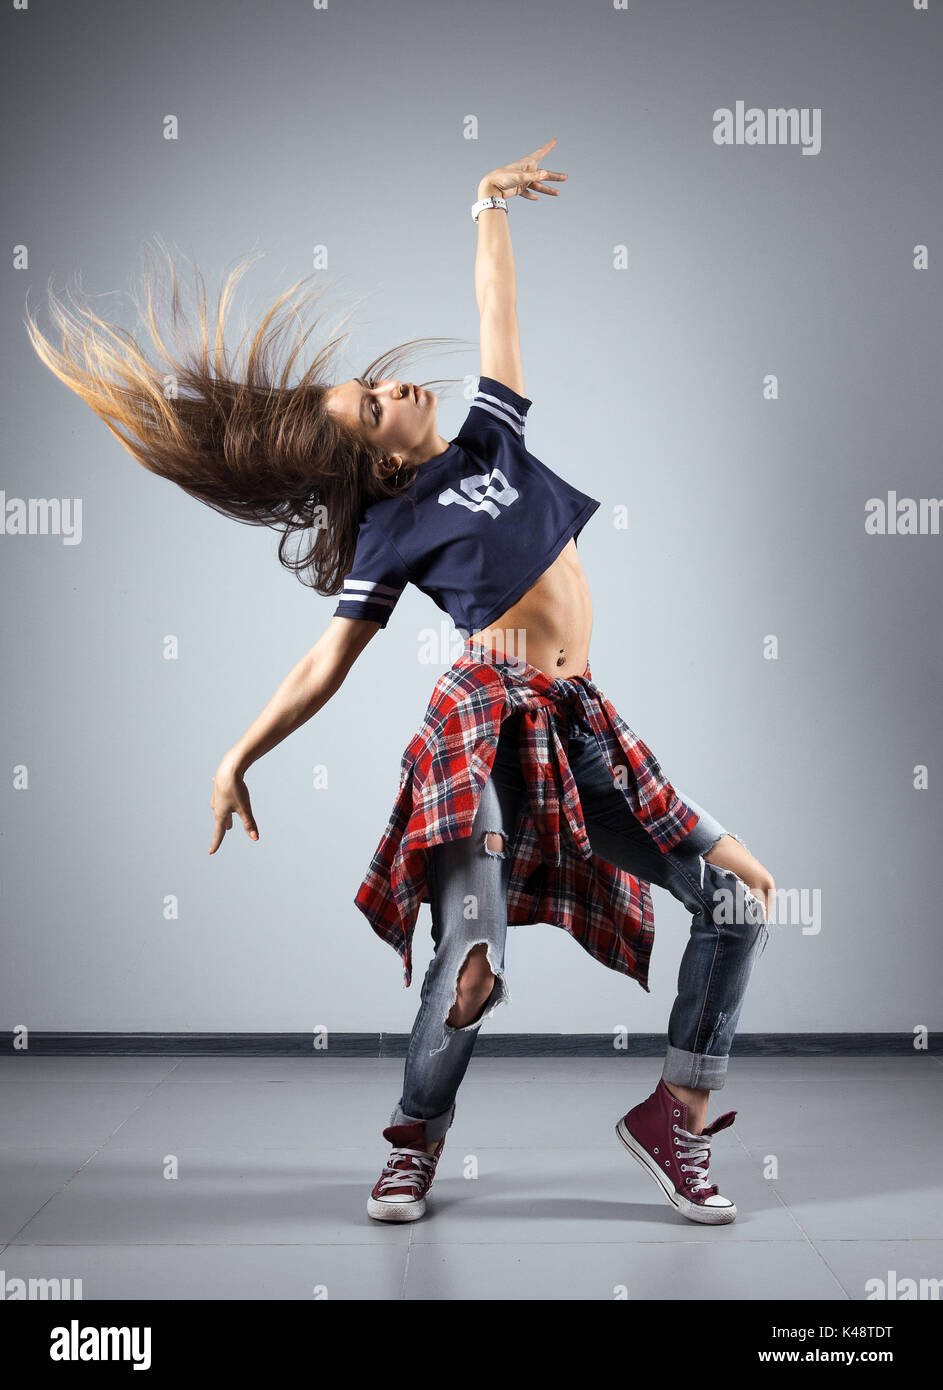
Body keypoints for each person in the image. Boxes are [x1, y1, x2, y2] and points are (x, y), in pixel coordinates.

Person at [25, 137, 775, 1230]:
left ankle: (677, 1111)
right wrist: (238, 754)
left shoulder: (492, 440)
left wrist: (484, 205)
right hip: (478, 727)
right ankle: (410, 1147)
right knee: (473, 962)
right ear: (378, 461)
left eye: (372, 384)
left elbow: (498, 317)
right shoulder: (390, 527)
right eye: (373, 405)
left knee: (739, 895)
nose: (389, 386)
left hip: (578, 722)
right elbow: (325, 662)